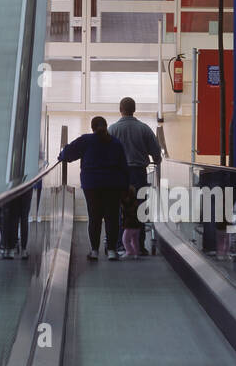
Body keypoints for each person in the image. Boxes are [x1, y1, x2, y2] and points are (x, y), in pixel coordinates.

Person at [58, 116, 130, 261]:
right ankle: (111, 250)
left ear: (92, 127)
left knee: (94, 217)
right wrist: (125, 186)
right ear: (106, 126)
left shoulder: (86, 140)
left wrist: (62, 156)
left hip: (91, 184)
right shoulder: (115, 143)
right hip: (113, 184)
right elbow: (124, 166)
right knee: (112, 217)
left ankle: (94, 251)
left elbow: (68, 154)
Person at [109, 97, 162, 259]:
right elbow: (156, 152)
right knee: (139, 209)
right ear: (134, 109)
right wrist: (156, 160)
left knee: (119, 209)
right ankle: (139, 246)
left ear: (120, 109)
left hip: (118, 174)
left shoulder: (113, 129)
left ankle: (120, 244)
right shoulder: (144, 129)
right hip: (139, 173)